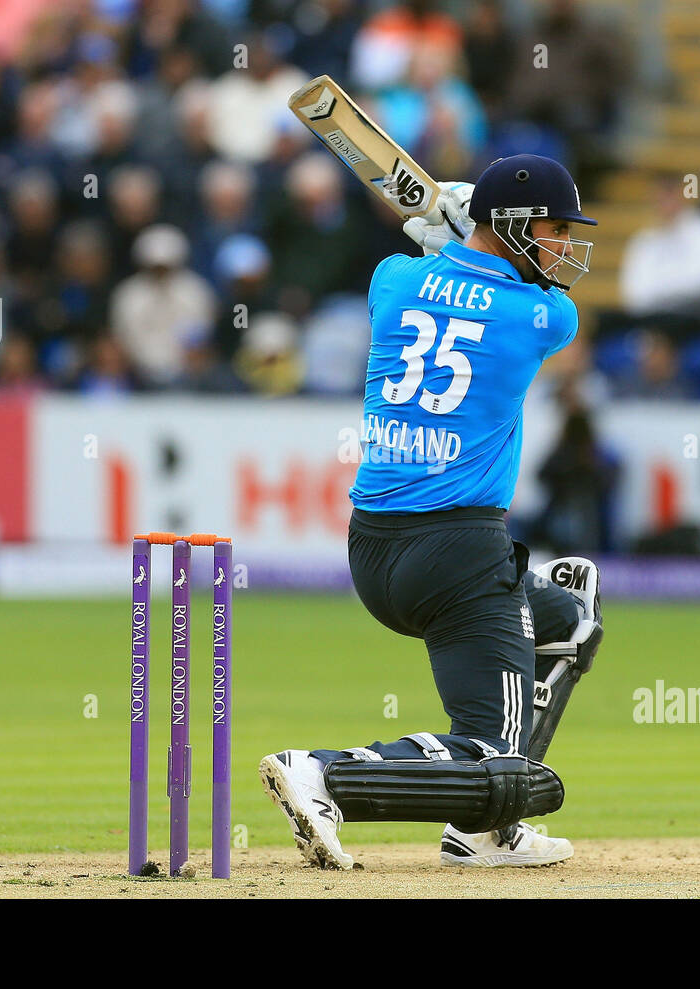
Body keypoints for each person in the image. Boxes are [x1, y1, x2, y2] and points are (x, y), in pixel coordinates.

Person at [259, 155, 604, 869]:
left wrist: (445, 241)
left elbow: (440, 281)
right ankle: (326, 773)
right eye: (552, 228)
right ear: (507, 226)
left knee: (572, 621)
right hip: (460, 553)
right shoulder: (544, 316)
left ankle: (483, 833)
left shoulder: (393, 279)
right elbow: (531, 301)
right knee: (492, 756)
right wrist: (456, 236)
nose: (564, 246)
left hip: (373, 550)